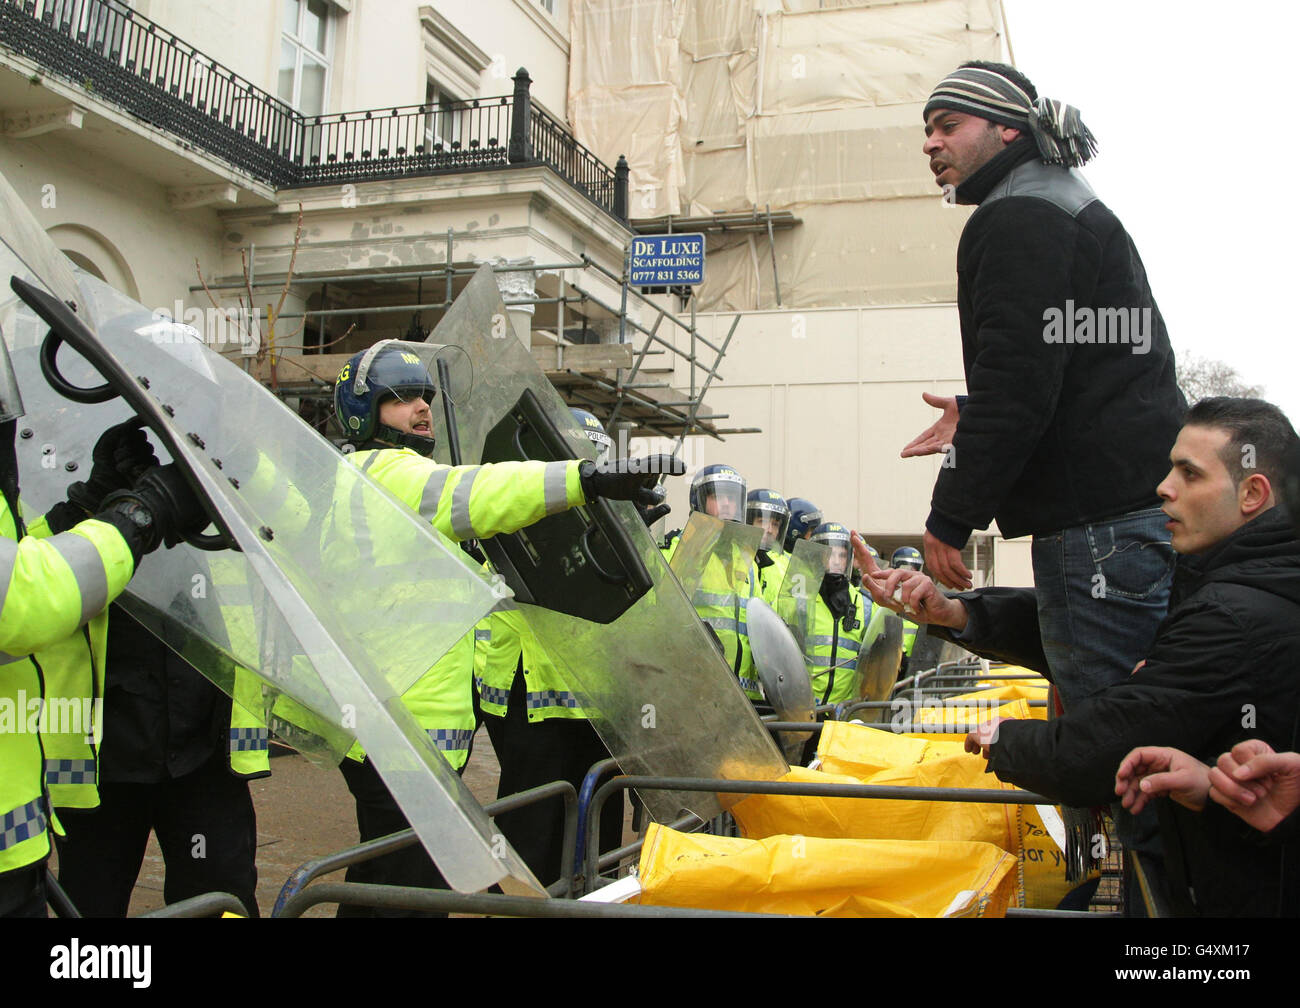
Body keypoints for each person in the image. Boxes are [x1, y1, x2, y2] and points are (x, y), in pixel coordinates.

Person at [859, 398, 1300, 916]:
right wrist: (956, 612)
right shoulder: (1233, 580)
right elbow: (1088, 627)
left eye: (1189, 473)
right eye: (1169, 467)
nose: (1164, 486)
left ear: (1252, 493)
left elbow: (1101, 747)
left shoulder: (1232, 613)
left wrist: (1002, 739)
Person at [324, 341, 680, 914]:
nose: (420, 408)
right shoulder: (385, 473)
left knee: (395, 878)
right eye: (401, 398)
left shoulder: (383, 480)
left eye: (423, 397)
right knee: (403, 885)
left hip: (403, 726)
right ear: (363, 409)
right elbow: (482, 491)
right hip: (400, 726)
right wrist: (584, 479)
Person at [903, 60, 1185, 710]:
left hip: (1100, 531)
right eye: (926, 131)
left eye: (948, 125)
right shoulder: (1057, 200)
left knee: (1117, 748)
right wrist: (976, 411)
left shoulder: (1018, 216)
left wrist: (951, 515)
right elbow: (1077, 370)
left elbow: (1020, 385)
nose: (930, 143)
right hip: (1130, 518)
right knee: (1144, 729)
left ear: (1006, 130)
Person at [1, 339, 207, 916]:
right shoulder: (56, 476)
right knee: (91, 920)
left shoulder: (216, 461)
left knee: (218, 900)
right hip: (103, 755)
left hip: (198, 747)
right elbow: (28, 578)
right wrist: (131, 508)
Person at [475, 409, 629, 887]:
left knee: (599, 830)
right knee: (533, 829)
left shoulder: (615, 528)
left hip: (599, 700)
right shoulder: (521, 517)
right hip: (532, 695)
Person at [662, 464, 762, 702]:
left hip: (744, 696)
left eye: (732, 497)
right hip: (694, 688)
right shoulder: (678, 548)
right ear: (699, 500)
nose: (728, 504)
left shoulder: (749, 560)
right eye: (718, 496)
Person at [746, 488, 790, 604]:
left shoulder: (779, 569)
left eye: (775, 524)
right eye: (762, 521)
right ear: (747, 522)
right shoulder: (731, 559)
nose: (770, 530)